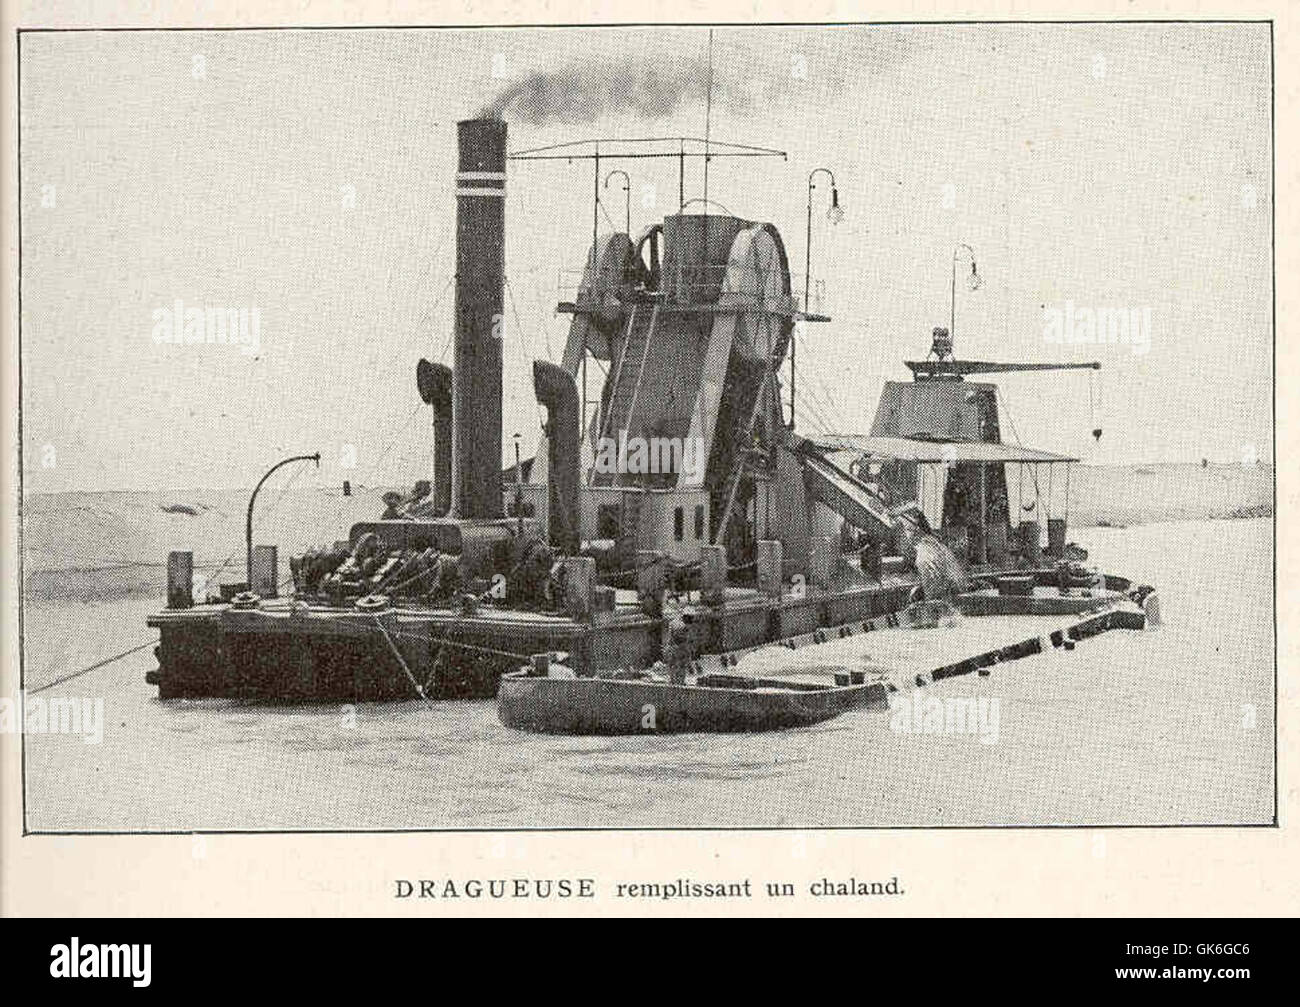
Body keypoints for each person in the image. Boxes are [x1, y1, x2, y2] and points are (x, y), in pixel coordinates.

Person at [894, 502, 969, 602]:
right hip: (954, 601)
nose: (902, 537)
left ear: (915, 530)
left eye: (905, 530)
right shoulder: (936, 545)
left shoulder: (924, 554)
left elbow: (933, 593)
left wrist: (920, 595)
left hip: (944, 609)